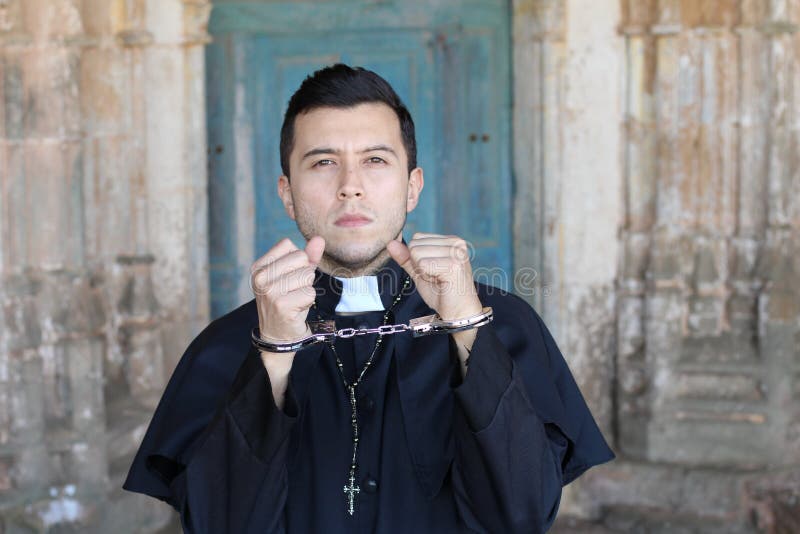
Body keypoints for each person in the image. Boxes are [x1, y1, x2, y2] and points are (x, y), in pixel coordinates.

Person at [124, 64, 614, 533]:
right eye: (323, 163)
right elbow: (219, 525)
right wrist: (273, 354)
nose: (350, 187)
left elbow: (523, 516)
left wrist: (466, 328)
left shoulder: (504, 325)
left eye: (375, 160)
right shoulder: (227, 344)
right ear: (288, 194)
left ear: (412, 187)